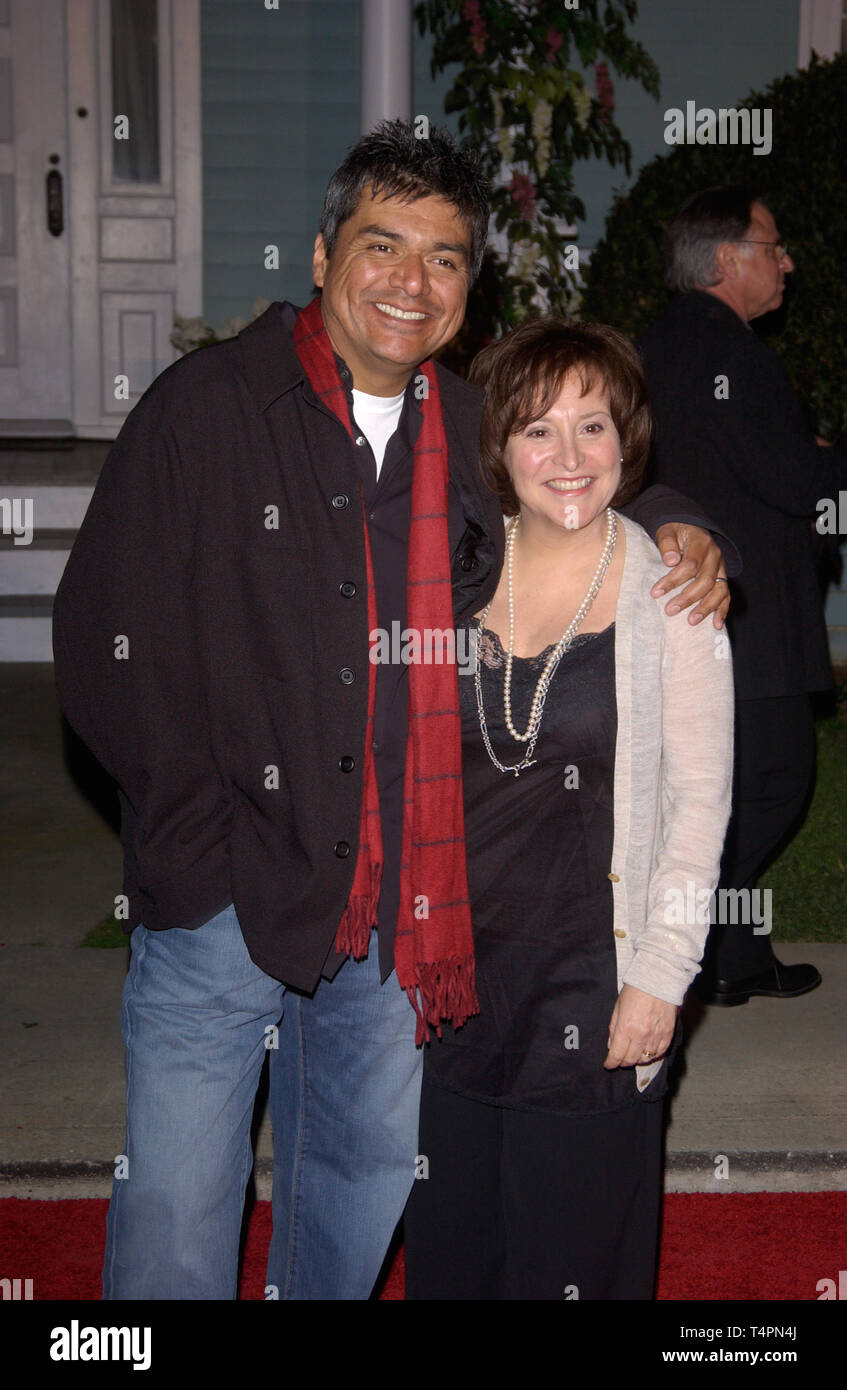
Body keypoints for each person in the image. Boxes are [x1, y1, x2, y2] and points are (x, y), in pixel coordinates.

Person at [52, 121, 736, 1302]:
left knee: (363, 1187)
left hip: (397, 916)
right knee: (178, 1209)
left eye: (445, 257)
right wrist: (197, 845)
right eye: (382, 245)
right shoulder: (207, 411)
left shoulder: (465, 427)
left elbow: (573, 467)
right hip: (222, 897)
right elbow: (103, 647)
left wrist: (682, 521)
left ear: (470, 286)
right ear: (322, 254)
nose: (409, 281)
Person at [401, 315, 735, 1301]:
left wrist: (661, 977)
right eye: (537, 428)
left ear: (628, 437)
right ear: (499, 445)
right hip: (449, 979)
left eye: (592, 426)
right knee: (454, 1251)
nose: (567, 456)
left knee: (573, 1265)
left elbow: (698, 801)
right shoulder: (456, 569)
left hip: (594, 978)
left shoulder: (670, 592)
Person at [639, 186, 847, 1006]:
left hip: (694, 604)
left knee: (725, 782)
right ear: (725, 258)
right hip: (742, 611)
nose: (786, 259)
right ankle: (689, 956)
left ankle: (735, 958)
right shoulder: (732, 354)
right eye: (773, 244)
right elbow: (794, 479)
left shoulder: (662, 342)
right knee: (769, 782)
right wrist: (829, 456)